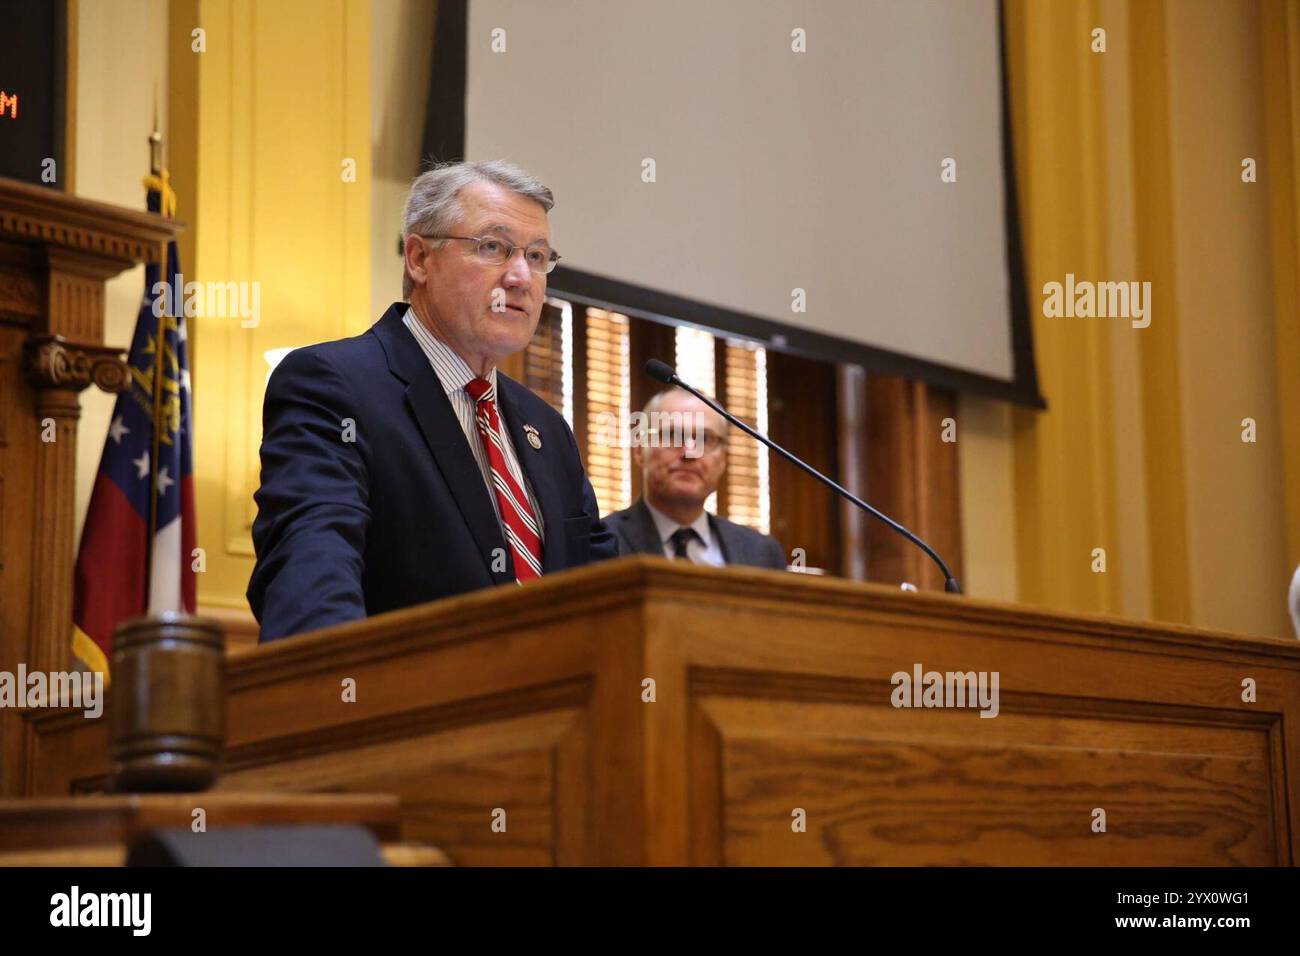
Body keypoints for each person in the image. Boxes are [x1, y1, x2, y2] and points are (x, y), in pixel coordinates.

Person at [248, 160, 616, 642]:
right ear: (419, 258)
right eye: (493, 248)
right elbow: (312, 566)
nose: (522, 277)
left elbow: (607, 592)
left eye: (538, 256)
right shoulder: (334, 385)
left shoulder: (546, 428)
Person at [605, 388, 786, 570]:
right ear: (639, 451)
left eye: (705, 439)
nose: (690, 453)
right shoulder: (599, 541)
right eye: (672, 435)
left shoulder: (762, 552)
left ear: (724, 459)